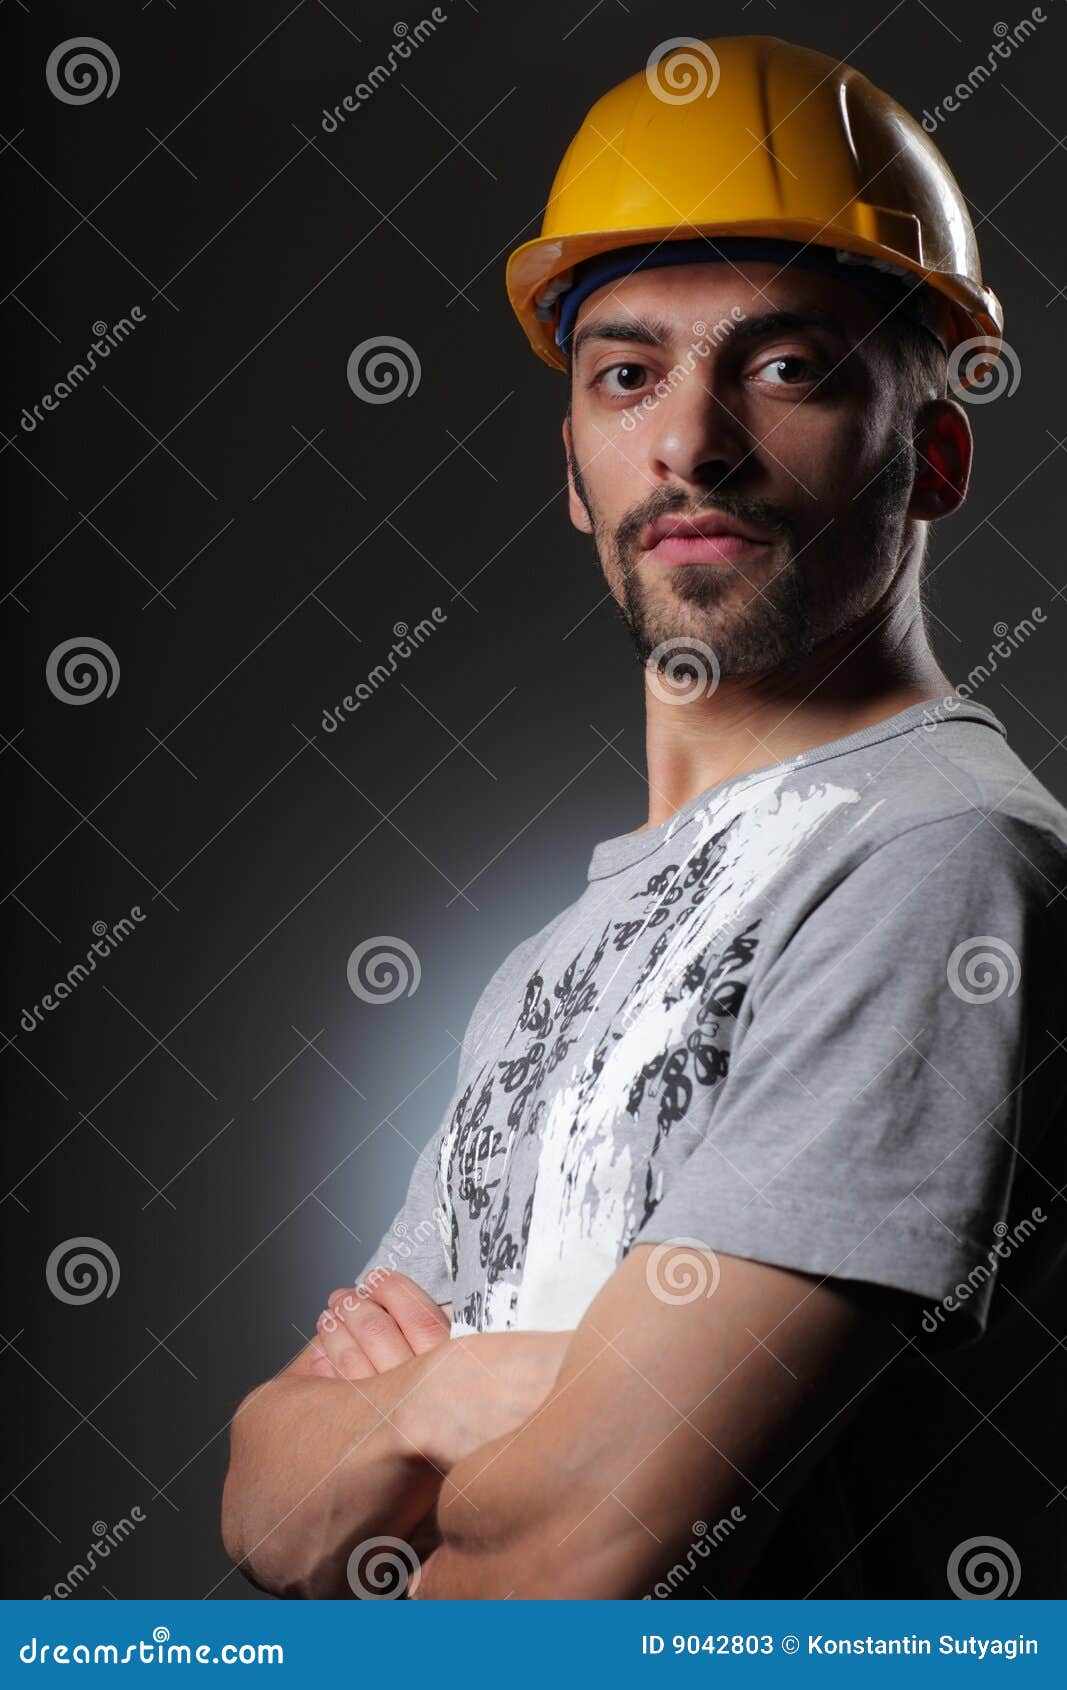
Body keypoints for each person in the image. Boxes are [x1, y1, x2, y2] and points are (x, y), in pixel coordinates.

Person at [222, 34, 1067, 1601]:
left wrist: (414, 1438)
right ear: (572, 466)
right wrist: (459, 1394)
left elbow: (571, 1559)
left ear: (933, 455)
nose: (690, 438)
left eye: (790, 364)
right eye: (627, 373)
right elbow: (266, 1502)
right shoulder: (552, 963)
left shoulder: (939, 866)